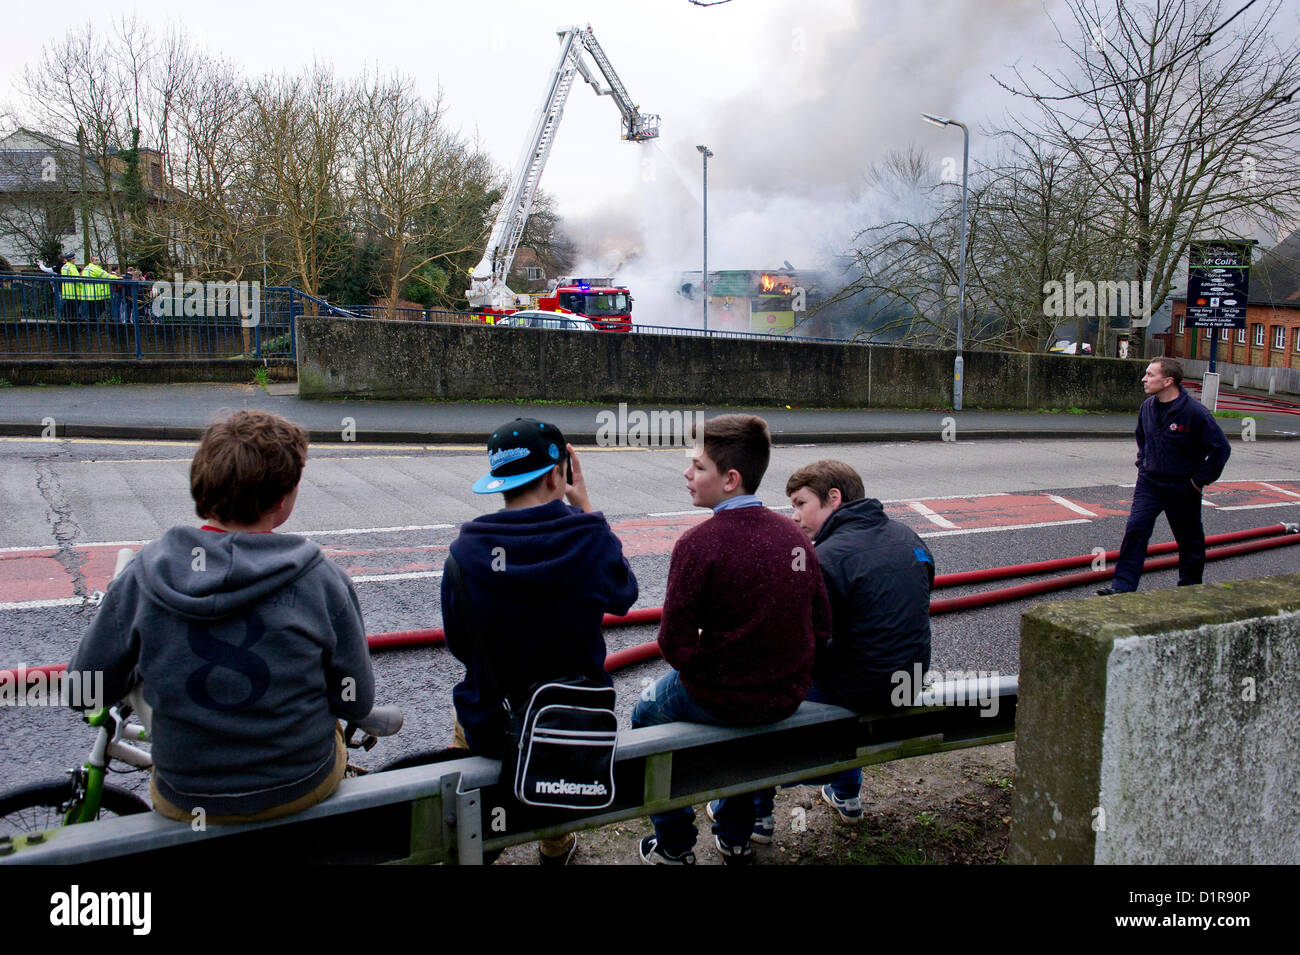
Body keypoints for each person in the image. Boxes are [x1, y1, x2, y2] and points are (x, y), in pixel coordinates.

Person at [66, 410, 375, 823]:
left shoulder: (143, 575)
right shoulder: (321, 578)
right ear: (282, 500)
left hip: (185, 795)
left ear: (204, 485)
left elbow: (81, 692)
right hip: (299, 785)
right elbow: (356, 700)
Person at [635, 414, 831, 865]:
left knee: (646, 712)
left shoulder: (697, 545)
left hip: (723, 695)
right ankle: (736, 837)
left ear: (730, 479)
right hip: (783, 695)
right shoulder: (795, 538)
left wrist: (715, 658)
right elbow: (821, 626)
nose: (687, 474)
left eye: (698, 467)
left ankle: (675, 844)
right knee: (747, 735)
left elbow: (675, 647)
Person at [442, 417, 638, 865]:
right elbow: (624, 595)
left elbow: (459, 643)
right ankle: (555, 844)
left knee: (466, 718)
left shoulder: (465, 554)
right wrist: (586, 505)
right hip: (573, 720)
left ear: (499, 482)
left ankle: (484, 840)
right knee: (556, 769)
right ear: (557, 475)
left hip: (494, 718)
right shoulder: (589, 539)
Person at [708, 459, 935, 841]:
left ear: (833, 498)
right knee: (854, 662)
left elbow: (800, 640)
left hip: (860, 693)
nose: (794, 516)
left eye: (800, 504)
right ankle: (846, 795)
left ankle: (754, 816)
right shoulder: (910, 538)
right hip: (909, 683)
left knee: (757, 699)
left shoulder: (824, 558)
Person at [1097, 357, 1231, 595]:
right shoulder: (1147, 407)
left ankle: (1190, 588)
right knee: (1136, 529)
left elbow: (1221, 449)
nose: (1144, 379)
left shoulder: (1195, 413)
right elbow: (1143, 438)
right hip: (1150, 482)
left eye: (1150, 375)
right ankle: (1122, 587)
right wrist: (1143, 462)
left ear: (1168, 381)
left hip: (1183, 486)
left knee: (1189, 538)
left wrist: (1198, 482)